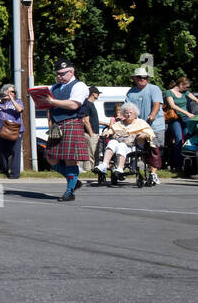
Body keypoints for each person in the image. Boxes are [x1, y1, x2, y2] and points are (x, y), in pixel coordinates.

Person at [41, 59, 90, 201]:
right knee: (50, 157)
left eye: (62, 74)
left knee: (70, 160)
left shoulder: (79, 86)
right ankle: (74, 181)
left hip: (72, 123)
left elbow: (74, 105)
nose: (59, 77)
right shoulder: (55, 87)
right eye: (57, 74)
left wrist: (52, 102)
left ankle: (70, 192)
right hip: (57, 125)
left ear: (71, 72)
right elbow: (49, 106)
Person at [93, 102, 155, 181]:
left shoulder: (141, 123)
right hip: (119, 144)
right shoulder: (120, 123)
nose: (128, 114)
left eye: (130, 113)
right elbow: (111, 130)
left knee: (121, 145)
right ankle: (104, 165)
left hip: (134, 146)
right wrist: (107, 132)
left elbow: (150, 133)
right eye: (126, 113)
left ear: (135, 113)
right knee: (112, 142)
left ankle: (120, 168)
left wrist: (144, 135)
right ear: (123, 114)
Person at [124, 66, 164, 185]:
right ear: (134, 78)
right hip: (139, 126)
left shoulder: (154, 89)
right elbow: (127, 107)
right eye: (140, 77)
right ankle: (146, 171)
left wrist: (152, 114)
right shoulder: (131, 92)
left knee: (155, 149)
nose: (143, 79)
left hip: (154, 125)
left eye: (145, 77)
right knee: (142, 151)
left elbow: (157, 104)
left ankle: (153, 174)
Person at [0, 83, 23, 180]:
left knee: (15, 152)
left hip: (16, 130)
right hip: (3, 130)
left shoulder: (18, 101)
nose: (10, 93)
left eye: (12, 92)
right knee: (3, 152)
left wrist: (12, 99)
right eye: (8, 91)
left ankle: (15, 174)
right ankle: (4, 170)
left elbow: (19, 109)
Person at [163, 75, 196, 171]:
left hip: (186, 119)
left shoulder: (185, 92)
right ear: (181, 84)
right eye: (186, 86)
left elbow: (195, 99)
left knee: (188, 139)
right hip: (175, 119)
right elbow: (172, 106)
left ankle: (190, 164)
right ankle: (177, 165)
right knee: (178, 140)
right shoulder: (169, 92)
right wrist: (187, 113)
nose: (187, 88)